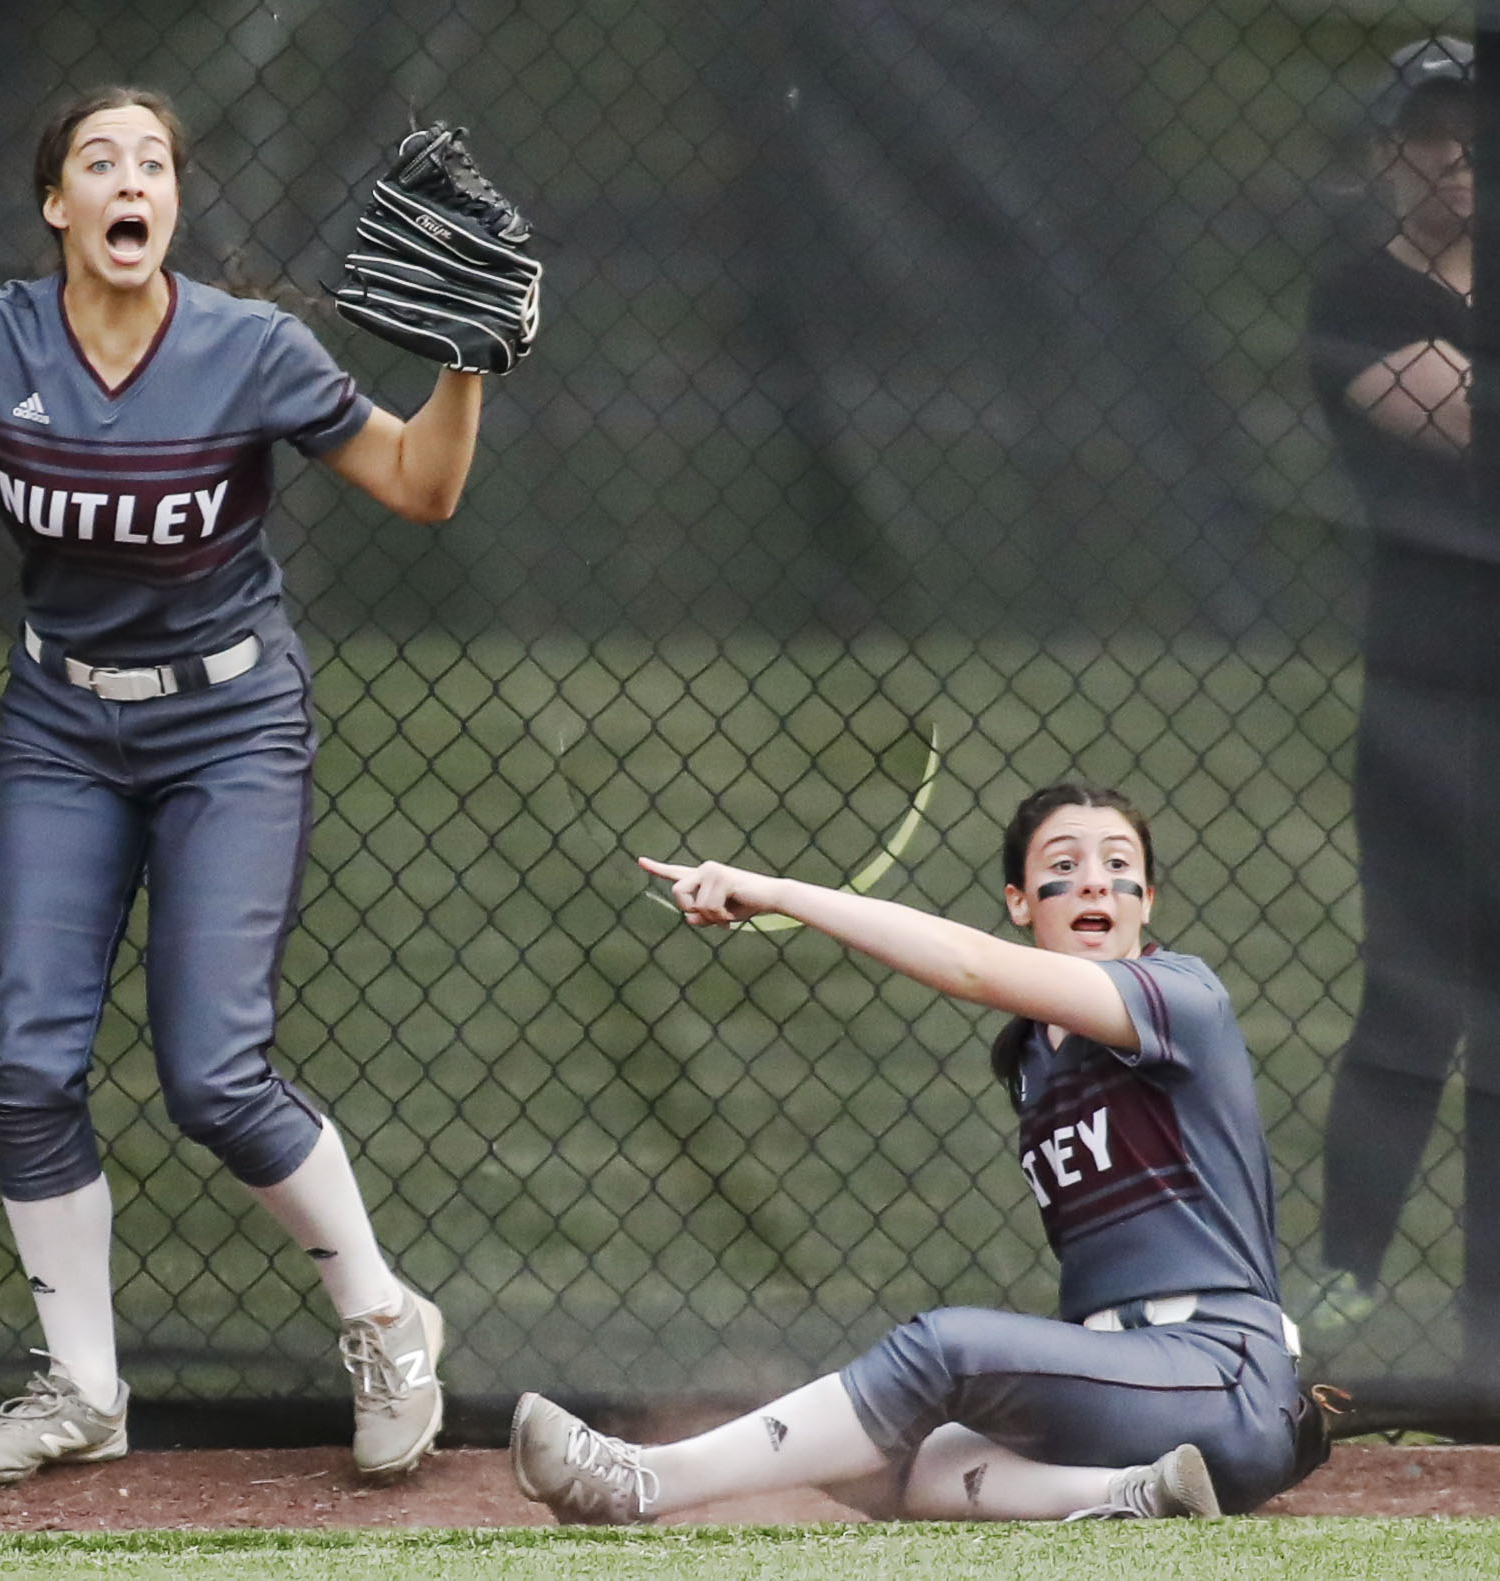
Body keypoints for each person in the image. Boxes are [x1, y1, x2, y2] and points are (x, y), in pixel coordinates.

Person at [0, 89, 498, 1486]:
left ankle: (386, 1320)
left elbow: (418, 487)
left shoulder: (246, 347)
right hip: (61, 728)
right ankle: (81, 1388)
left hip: (229, 726)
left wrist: (462, 370)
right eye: (101, 162)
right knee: (28, 1064)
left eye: (151, 163)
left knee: (212, 1075)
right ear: (58, 206)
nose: (130, 180)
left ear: (168, 209)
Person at [510, 783, 1315, 1522]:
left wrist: (780, 892)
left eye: (1118, 864)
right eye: (1063, 865)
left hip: (1220, 1377)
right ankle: (1135, 1498)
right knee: (875, 1457)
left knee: (942, 1349)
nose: (1096, 881)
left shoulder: (1181, 996)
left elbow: (968, 966)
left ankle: (637, 1481)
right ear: (1018, 899)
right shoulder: (1030, 1057)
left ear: (1149, 899)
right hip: (1137, 1407)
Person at [1303, 35, 1500, 1360]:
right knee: (1411, 995)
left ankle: (1488, 1304)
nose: (1457, 156)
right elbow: (1441, 415)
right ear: (1387, 154)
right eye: (1431, 133)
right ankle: (1342, 1275)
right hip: (1425, 696)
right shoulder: (1353, 297)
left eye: (1474, 129)